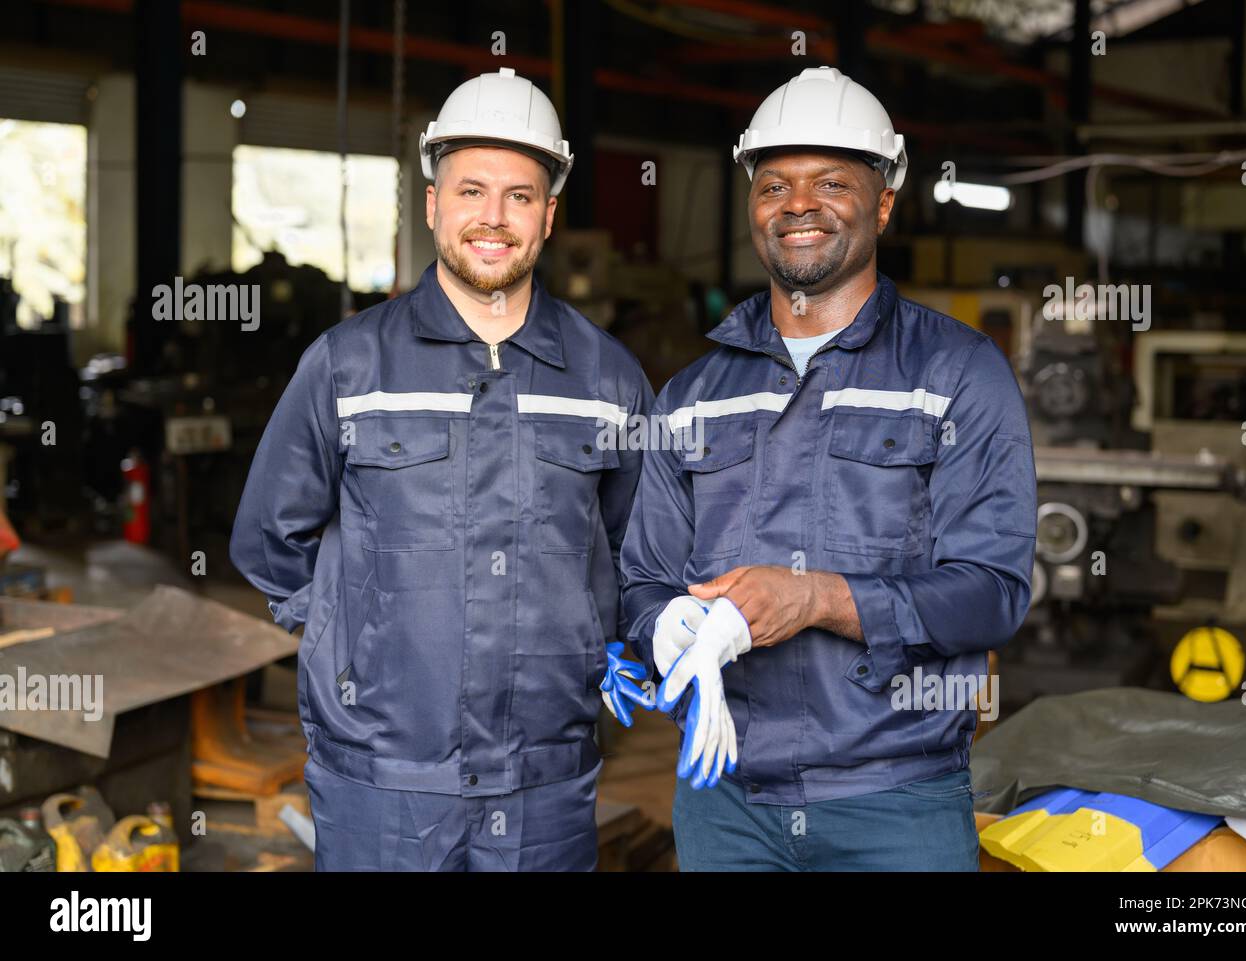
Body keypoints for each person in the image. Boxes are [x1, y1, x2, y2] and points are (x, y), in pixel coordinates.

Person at [231, 68, 654, 872]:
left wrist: (604, 643)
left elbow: (639, 549)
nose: (493, 217)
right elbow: (268, 539)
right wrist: (349, 651)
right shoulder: (348, 364)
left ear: (548, 214)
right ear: (431, 204)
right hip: (382, 782)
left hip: (545, 784)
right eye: (471, 191)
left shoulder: (608, 379)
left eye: (519, 196)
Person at [620, 66, 1037, 871]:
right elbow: (642, 577)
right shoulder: (692, 396)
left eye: (832, 182)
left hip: (896, 802)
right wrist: (661, 627)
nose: (798, 204)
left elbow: (992, 593)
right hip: (724, 802)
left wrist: (816, 598)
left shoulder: (957, 374)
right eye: (774, 185)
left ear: (883, 203)